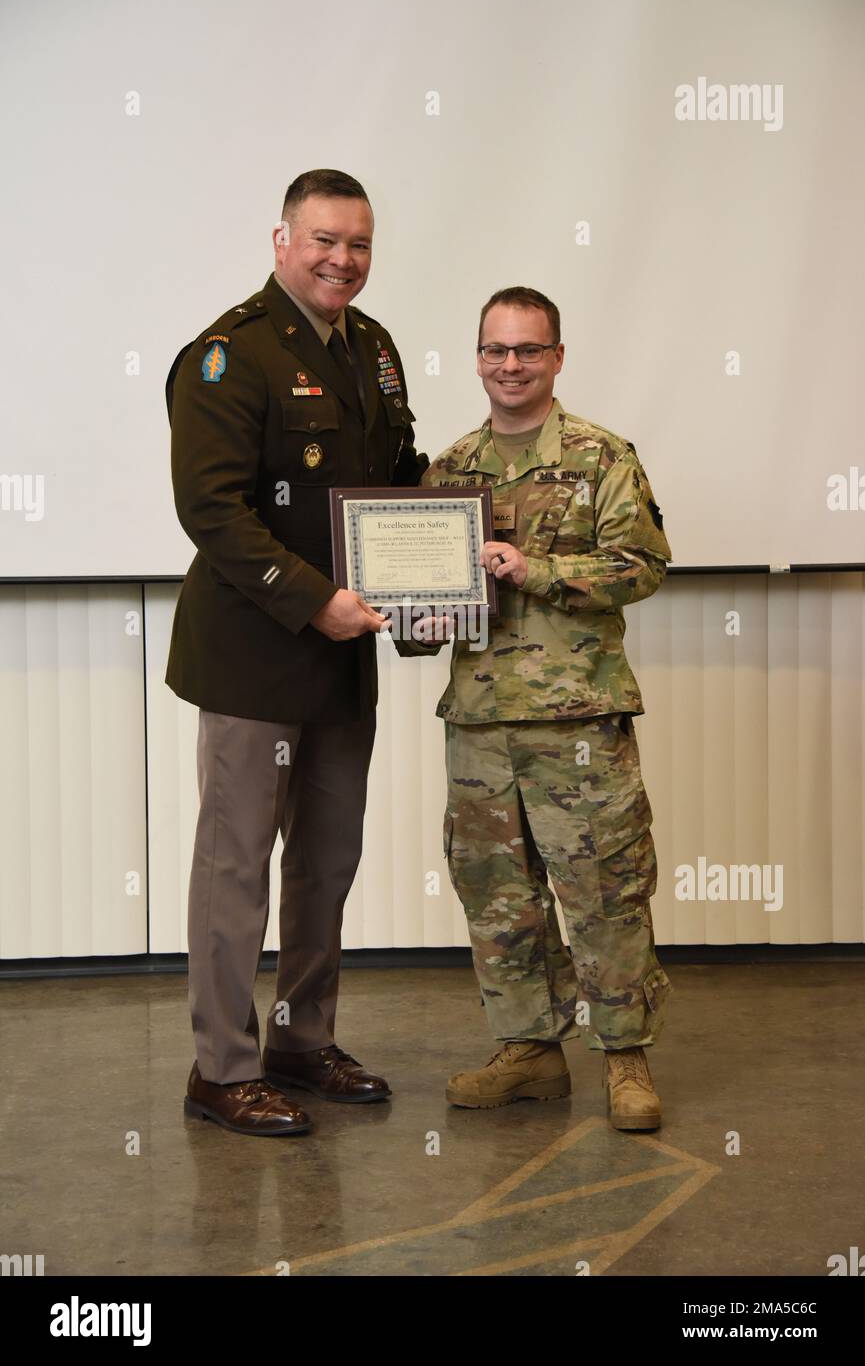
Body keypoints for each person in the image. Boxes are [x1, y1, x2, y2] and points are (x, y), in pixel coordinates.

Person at [165, 169, 428, 1137]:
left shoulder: (375, 349)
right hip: (253, 652)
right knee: (236, 864)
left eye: (358, 244)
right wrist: (315, 602)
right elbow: (211, 510)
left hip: (340, 656)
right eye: (324, 240)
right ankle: (220, 1067)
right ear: (282, 240)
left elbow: (397, 483)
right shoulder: (229, 357)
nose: (342, 260)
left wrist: (439, 569)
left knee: (327, 859)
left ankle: (298, 1040)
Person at [396, 286, 672, 1131]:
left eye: (526, 350)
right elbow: (416, 603)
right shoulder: (448, 470)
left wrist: (536, 569)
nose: (508, 366)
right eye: (494, 350)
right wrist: (412, 616)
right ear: (477, 357)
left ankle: (625, 1058)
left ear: (556, 356)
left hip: (575, 719)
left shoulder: (600, 456)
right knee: (496, 892)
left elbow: (642, 564)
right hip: (479, 721)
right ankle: (529, 1051)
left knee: (601, 888)